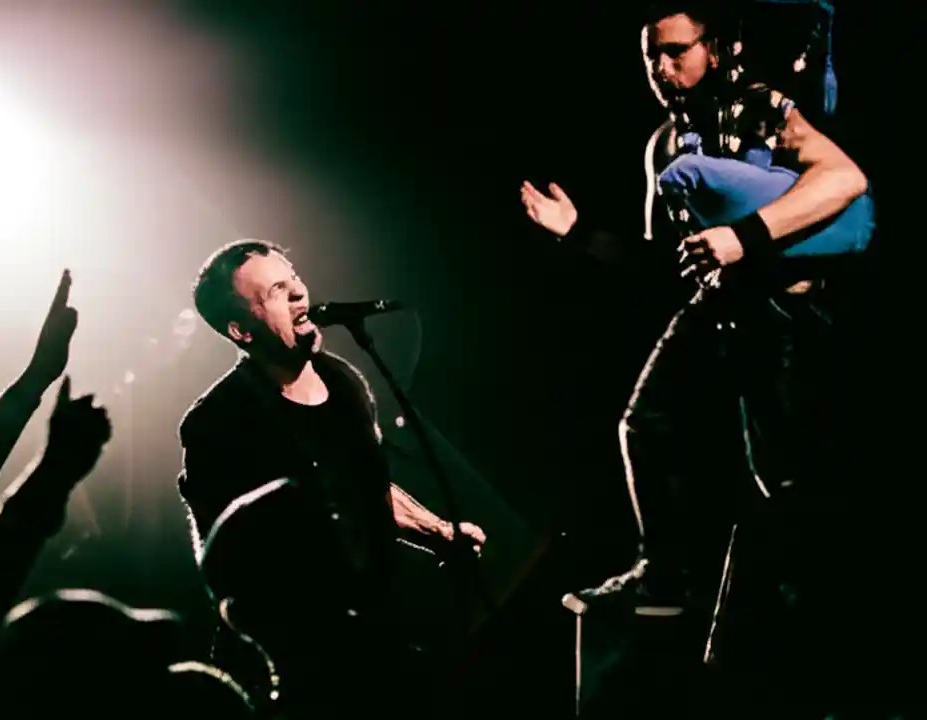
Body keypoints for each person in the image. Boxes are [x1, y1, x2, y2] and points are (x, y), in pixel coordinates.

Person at [519, 0, 872, 614]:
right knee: (644, 425)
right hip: (716, 307)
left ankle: (814, 603)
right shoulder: (665, 146)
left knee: (788, 470)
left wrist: (746, 236)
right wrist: (577, 235)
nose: (660, 66)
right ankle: (664, 578)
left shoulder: (762, 107)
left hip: (787, 314)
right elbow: (663, 265)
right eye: (651, 55)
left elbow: (845, 180)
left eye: (675, 52)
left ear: (715, 49)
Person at [176, 239, 486, 711]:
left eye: (293, 279)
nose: (299, 294)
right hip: (294, 664)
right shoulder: (218, 422)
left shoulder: (342, 381)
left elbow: (365, 484)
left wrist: (441, 532)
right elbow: (222, 557)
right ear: (241, 330)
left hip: (376, 636)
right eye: (277, 291)